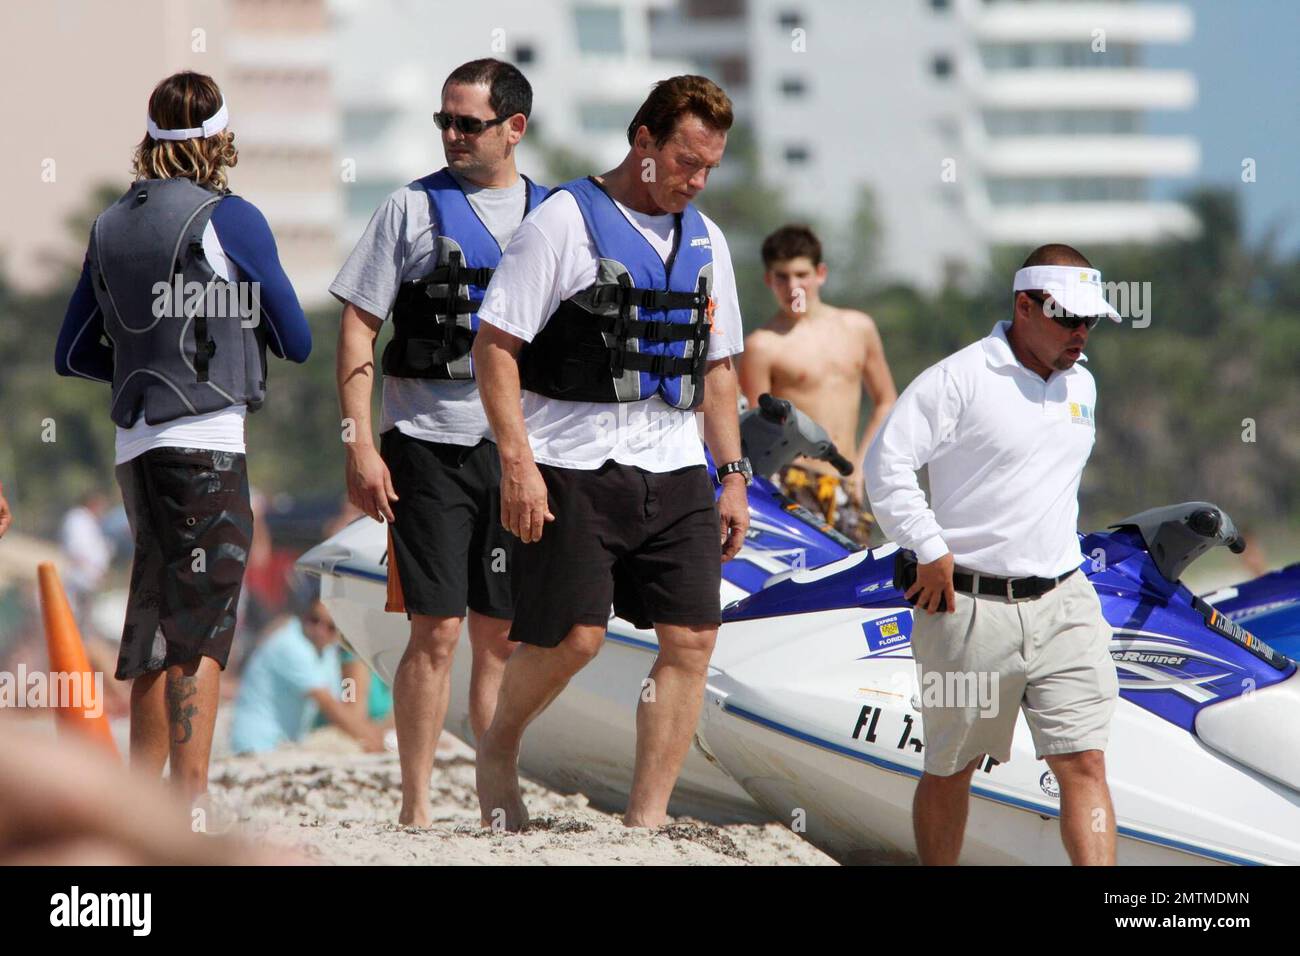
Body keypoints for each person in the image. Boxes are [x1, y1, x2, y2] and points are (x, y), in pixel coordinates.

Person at [472, 75, 749, 830]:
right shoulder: (565, 221)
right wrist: (518, 463)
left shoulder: (707, 240)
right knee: (574, 640)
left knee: (691, 641)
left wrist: (731, 476)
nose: (696, 181)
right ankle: (497, 746)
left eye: (709, 169)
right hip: (573, 461)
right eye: (686, 162)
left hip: (676, 467)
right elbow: (495, 347)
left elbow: (719, 369)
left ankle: (646, 819)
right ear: (643, 142)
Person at [54, 71, 311, 802]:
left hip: (134, 450)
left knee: (154, 626)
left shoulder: (108, 226)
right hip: (207, 443)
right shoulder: (232, 220)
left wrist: (144, 362)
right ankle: (187, 806)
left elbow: (70, 353)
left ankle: (144, 804)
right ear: (220, 140)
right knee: (199, 630)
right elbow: (296, 340)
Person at [332, 58, 546, 826]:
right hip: (425, 443)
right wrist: (361, 444)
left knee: (501, 633)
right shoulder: (409, 210)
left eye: (468, 123)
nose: (452, 135)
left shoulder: (553, 215)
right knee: (436, 629)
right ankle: (416, 805)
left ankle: (496, 793)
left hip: (520, 453)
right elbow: (359, 321)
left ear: (513, 128)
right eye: (444, 122)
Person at [865, 244, 1121, 865]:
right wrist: (928, 546)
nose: (1080, 333)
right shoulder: (959, 378)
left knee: (1083, 760)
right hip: (971, 607)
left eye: (1090, 321)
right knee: (953, 767)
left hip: (1066, 601)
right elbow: (886, 465)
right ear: (1024, 306)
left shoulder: (1082, 383)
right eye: (1067, 317)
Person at [740, 224, 897, 544]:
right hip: (789, 483)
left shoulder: (858, 328)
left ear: (820, 273)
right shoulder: (762, 345)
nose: (793, 286)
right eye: (782, 277)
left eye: (801, 274)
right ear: (768, 280)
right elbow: (756, 432)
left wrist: (863, 466)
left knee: (850, 584)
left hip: (846, 480)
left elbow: (885, 400)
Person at [230, 596, 385, 754]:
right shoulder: (291, 645)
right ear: (304, 615)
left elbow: (346, 699)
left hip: (281, 743)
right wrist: (371, 739)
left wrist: (366, 728)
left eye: (330, 627)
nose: (320, 630)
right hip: (256, 744)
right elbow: (330, 706)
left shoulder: (326, 651)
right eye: (314, 620)